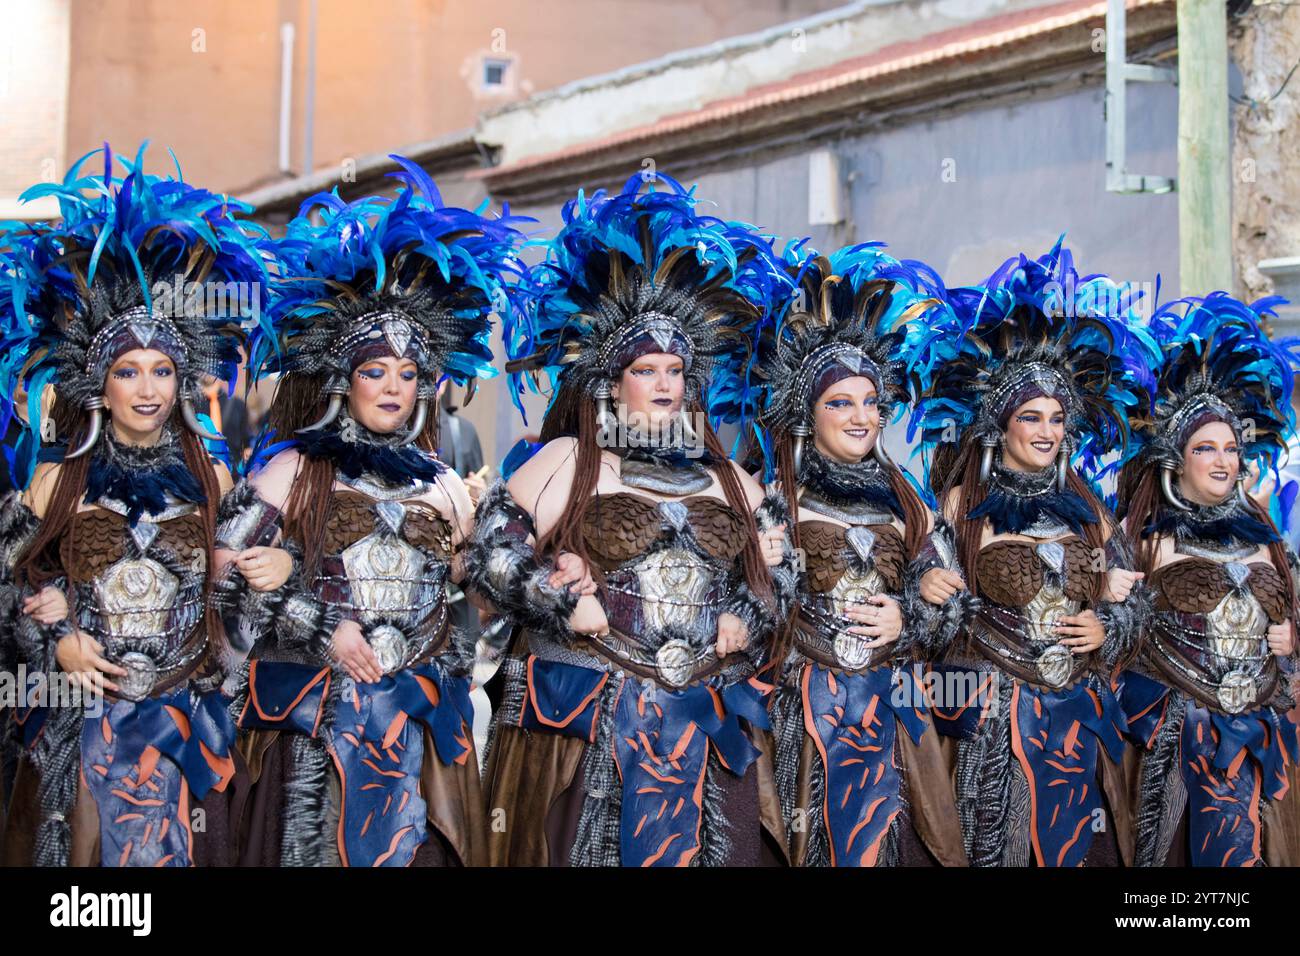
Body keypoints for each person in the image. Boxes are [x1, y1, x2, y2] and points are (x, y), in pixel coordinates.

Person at [467, 173, 797, 866]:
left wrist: (750, 609)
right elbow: (489, 550)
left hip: (702, 724)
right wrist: (558, 598)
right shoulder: (567, 460)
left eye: (676, 368)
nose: (667, 383)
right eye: (647, 368)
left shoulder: (727, 477)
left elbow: (784, 565)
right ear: (612, 380)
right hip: (590, 725)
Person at [215, 157, 528, 867]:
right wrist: (316, 622)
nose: (393, 388)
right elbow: (221, 591)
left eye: (409, 375)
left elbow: (484, 598)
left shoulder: (445, 484)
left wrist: (495, 576)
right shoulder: (291, 471)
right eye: (374, 372)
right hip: (314, 732)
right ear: (343, 381)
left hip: (418, 729)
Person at [0, 145, 268, 866]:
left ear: (183, 380)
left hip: (185, 724)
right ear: (100, 382)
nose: (147, 389)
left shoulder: (213, 473)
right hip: (83, 728)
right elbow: (9, 585)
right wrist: (53, 640)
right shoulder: (57, 481)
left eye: (162, 370)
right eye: (128, 371)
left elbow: (243, 605)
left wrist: (263, 569)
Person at [911, 240, 1153, 866]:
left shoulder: (1092, 511)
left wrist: (1108, 624)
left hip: (1076, 718)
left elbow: (1138, 600)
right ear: (1002, 426)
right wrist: (936, 596)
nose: (1046, 431)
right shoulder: (961, 507)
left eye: (1056, 419)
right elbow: (926, 618)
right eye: (1031, 417)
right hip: (996, 728)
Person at [752, 243, 968, 866]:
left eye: (871, 403)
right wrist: (769, 575)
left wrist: (912, 613)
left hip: (894, 715)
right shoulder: (774, 499)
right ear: (807, 414)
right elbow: (748, 609)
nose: (860, 416)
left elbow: (952, 606)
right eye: (840, 403)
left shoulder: (910, 503)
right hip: (800, 713)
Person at [1117, 292, 1300, 865]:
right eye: (1205, 448)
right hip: (1176, 748)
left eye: (1231, 449)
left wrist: (1293, 638)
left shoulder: (1268, 538)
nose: (1223, 461)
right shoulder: (1140, 537)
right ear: (1176, 458)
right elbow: (1102, 632)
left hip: (1263, 743)